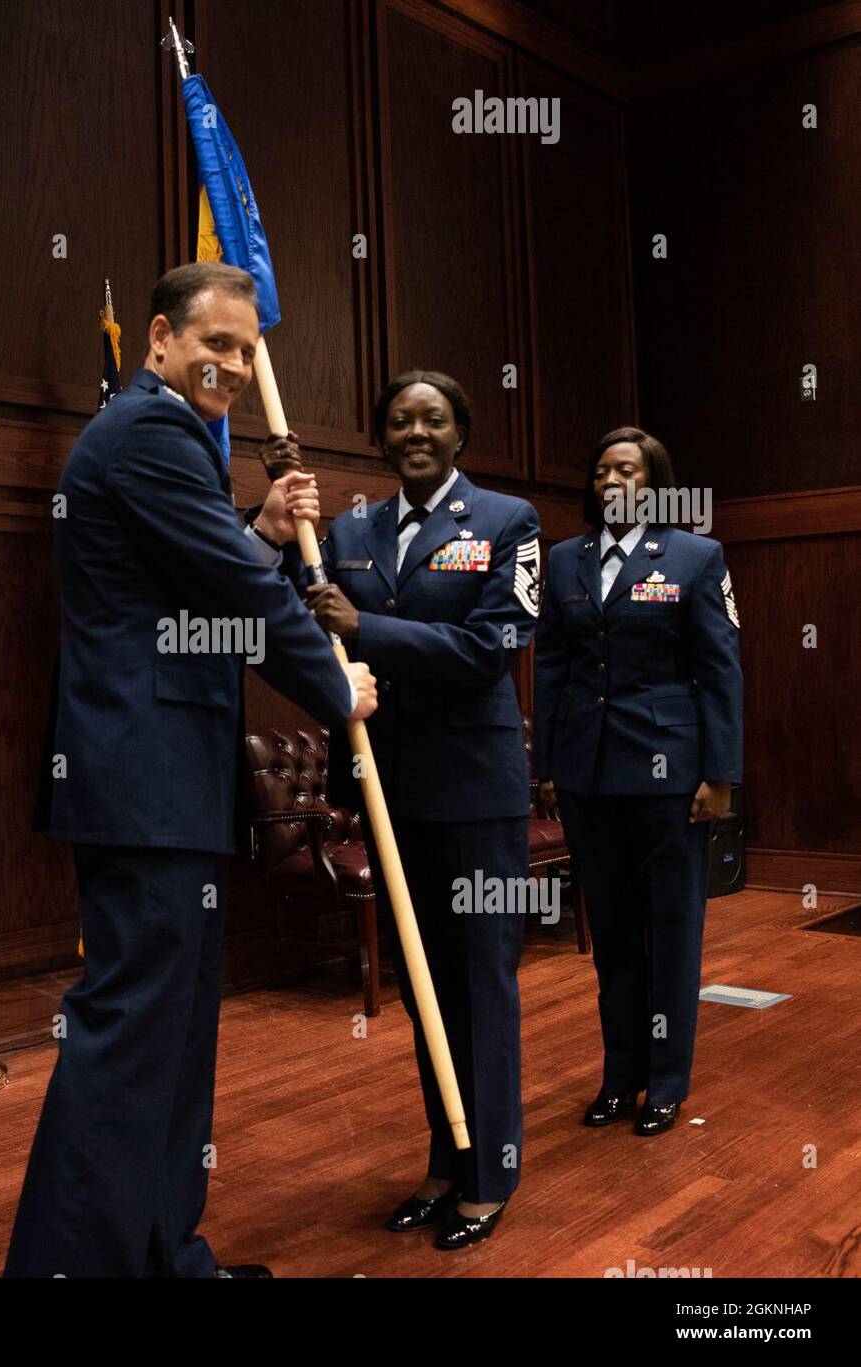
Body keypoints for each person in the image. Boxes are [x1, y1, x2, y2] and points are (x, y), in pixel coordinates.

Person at [5, 261, 377, 1279]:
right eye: (217, 343)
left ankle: (164, 1252)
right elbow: (240, 602)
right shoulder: (152, 432)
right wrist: (335, 688)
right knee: (130, 1037)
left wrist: (256, 538)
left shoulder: (159, 439)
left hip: (164, 781)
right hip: (142, 781)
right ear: (159, 339)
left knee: (170, 1037)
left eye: (247, 351)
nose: (235, 365)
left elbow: (196, 590)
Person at [291, 370, 542, 1250]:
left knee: (482, 983)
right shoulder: (350, 529)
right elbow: (302, 605)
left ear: (460, 433)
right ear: (381, 436)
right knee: (423, 991)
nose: (416, 431)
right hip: (390, 793)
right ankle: (446, 1158)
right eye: (399, 420)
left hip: (478, 796)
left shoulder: (511, 523)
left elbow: (490, 646)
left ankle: (492, 1169)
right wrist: (285, 521)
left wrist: (365, 629)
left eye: (434, 418)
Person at [533, 426, 742, 1137]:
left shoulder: (695, 555)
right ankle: (620, 1075)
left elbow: (719, 671)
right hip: (589, 775)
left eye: (628, 469)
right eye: (601, 471)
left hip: (669, 775)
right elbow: (552, 668)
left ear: (655, 482)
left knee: (672, 929)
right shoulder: (565, 560)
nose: (612, 480)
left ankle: (666, 1082)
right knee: (615, 934)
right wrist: (549, 767)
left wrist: (721, 774)